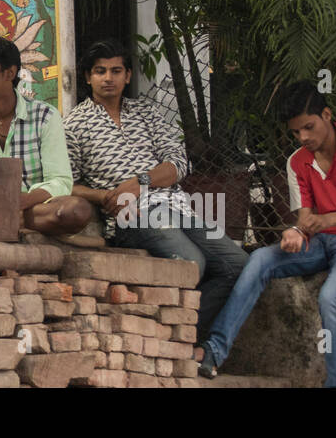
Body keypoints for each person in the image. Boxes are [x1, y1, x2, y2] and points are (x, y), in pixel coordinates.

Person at [197, 80, 336, 387]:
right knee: (261, 258)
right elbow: (304, 220)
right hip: (322, 242)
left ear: (327, 115)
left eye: (309, 127)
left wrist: (328, 221)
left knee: (330, 295)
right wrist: (295, 233)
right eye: (296, 132)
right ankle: (214, 351)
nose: (303, 137)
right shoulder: (297, 161)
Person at [64, 39, 247, 340]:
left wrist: (140, 182)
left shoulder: (146, 113)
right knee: (192, 264)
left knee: (237, 265)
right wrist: (107, 196)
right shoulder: (73, 125)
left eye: (115, 70)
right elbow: (66, 182)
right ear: (88, 77)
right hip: (132, 216)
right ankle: (176, 339)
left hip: (178, 207)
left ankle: (187, 337)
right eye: (99, 71)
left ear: (128, 75)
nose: (108, 78)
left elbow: (178, 163)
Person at [0, 35, 91, 236]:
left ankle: (10, 221)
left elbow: (60, 181)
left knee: (76, 210)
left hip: (32, 208)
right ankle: (6, 222)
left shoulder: (45, 116)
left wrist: (21, 200)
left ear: (9, 73)